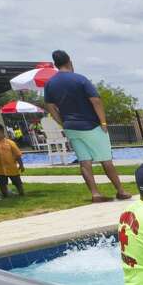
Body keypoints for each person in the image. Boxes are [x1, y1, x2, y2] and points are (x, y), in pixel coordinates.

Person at [43, 49, 131, 203]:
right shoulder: (80, 79)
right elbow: (96, 100)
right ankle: (121, 191)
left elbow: (50, 106)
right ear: (70, 61)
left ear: (56, 64)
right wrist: (103, 122)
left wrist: (62, 122)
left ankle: (95, 194)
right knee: (106, 159)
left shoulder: (50, 83)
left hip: (71, 127)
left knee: (84, 161)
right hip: (90, 125)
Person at [0, 123, 25, 197]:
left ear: (1, 131)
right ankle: (5, 195)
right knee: (2, 184)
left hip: (12, 168)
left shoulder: (10, 143)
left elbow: (18, 155)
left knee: (17, 183)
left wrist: (21, 165)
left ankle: (21, 193)